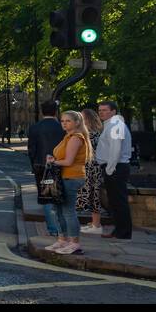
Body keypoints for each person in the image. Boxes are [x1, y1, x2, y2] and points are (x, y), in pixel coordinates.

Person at [43, 111, 93, 254]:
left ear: (77, 122)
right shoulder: (68, 137)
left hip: (71, 177)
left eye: (68, 121)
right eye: (63, 121)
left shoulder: (76, 138)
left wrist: (53, 162)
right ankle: (62, 240)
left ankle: (74, 243)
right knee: (58, 210)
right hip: (64, 177)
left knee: (68, 211)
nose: (64, 123)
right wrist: (53, 159)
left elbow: (69, 161)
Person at [27, 100, 66, 239]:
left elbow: (31, 150)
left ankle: (53, 229)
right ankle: (63, 228)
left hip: (41, 166)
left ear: (42, 111)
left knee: (47, 197)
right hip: (61, 165)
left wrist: (34, 165)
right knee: (61, 197)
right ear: (55, 111)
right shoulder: (62, 127)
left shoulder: (34, 128)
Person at [96, 100, 133, 240]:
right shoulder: (111, 124)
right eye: (100, 110)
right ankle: (119, 230)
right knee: (114, 202)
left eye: (105, 110)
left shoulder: (116, 125)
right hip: (113, 167)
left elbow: (116, 149)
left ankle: (123, 233)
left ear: (113, 111)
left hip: (116, 167)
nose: (101, 113)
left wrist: (110, 169)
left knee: (119, 201)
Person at [75, 109, 104, 233]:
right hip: (93, 168)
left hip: (90, 168)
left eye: (82, 117)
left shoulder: (89, 134)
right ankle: (94, 223)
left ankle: (96, 225)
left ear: (88, 119)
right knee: (93, 195)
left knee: (93, 195)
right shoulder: (95, 133)